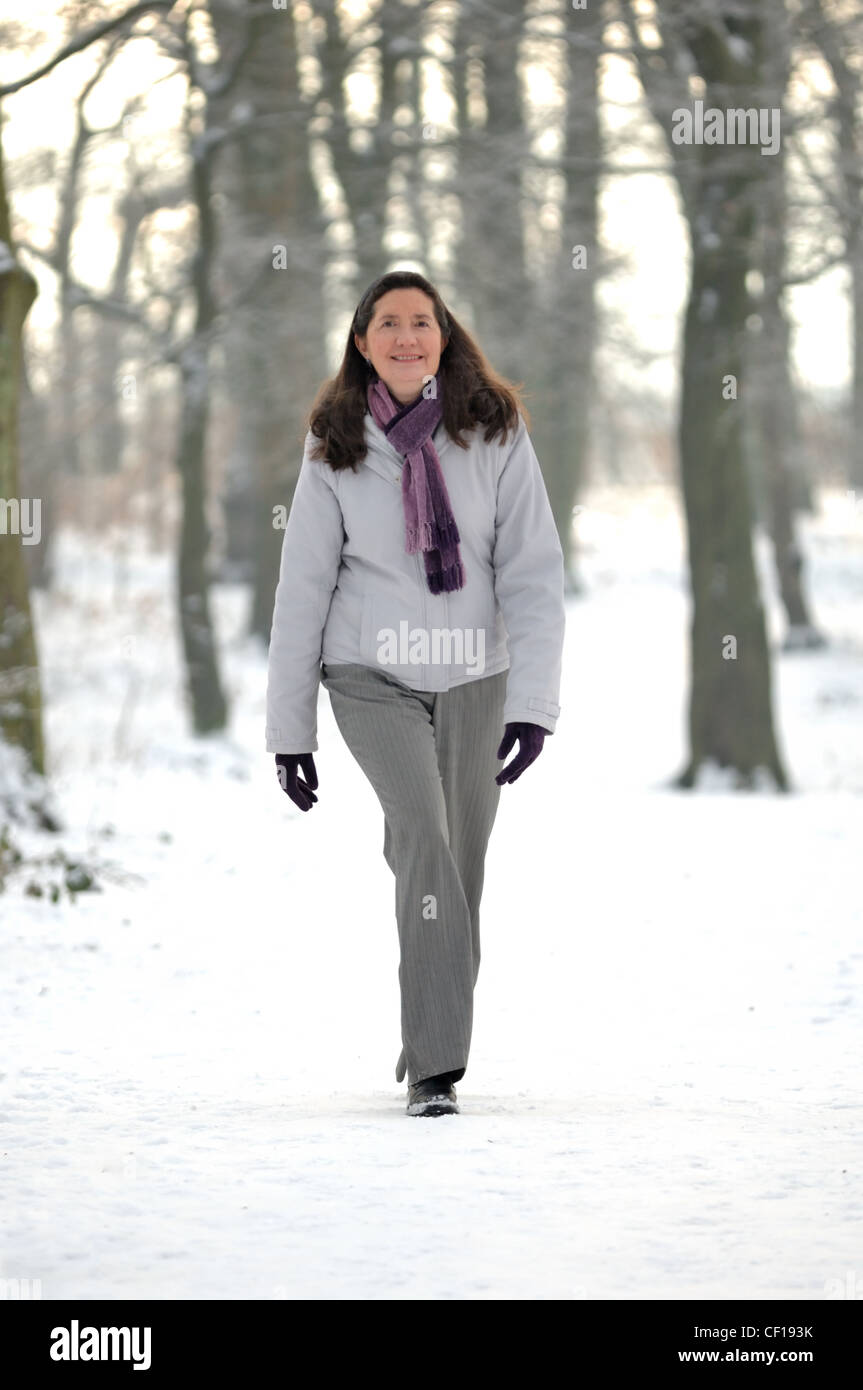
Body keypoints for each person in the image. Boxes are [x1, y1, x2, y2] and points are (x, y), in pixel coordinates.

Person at [266, 269, 565, 1117]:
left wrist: (532, 706)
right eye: (387, 324)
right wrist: (291, 731)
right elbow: (302, 588)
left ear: (444, 336)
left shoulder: (493, 430)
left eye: (421, 323)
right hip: (370, 675)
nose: (406, 338)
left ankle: (429, 1022)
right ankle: (438, 1070)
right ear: (361, 342)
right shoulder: (334, 441)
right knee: (426, 834)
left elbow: (533, 573)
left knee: (454, 867)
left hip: (477, 671)